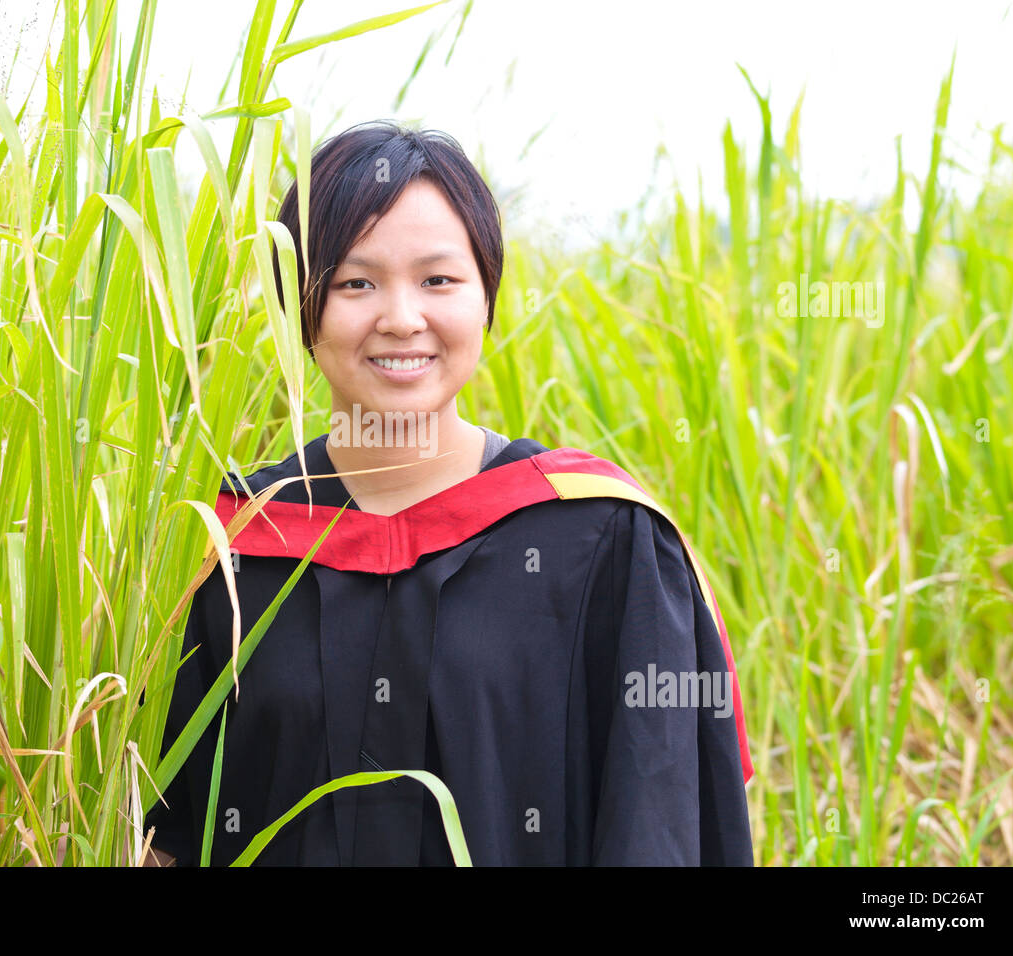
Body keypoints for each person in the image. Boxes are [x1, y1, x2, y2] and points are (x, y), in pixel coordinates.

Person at [141, 120, 754, 866]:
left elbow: (657, 827)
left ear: (486, 297)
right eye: (354, 282)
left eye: (438, 280)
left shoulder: (603, 540)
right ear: (297, 306)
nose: (402, 319)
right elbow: (160, 834)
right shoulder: (228, 546)